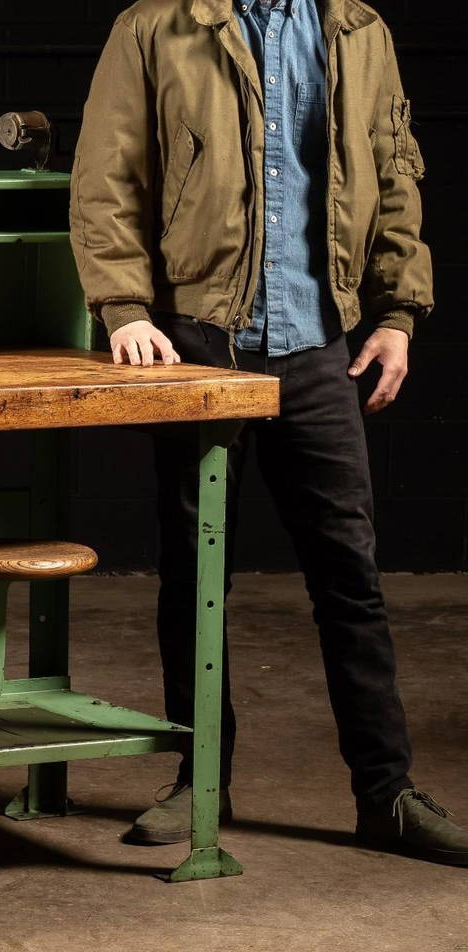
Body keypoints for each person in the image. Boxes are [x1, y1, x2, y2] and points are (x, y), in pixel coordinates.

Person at [69, 0, 466, 865]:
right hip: (198, 342)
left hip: (319, 342)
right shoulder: (154, 26)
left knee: (351, 580)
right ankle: (198, 781)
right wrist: (124, 306)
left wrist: (397, 312)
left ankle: (386, 794)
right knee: (195, 572)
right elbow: (108, 172)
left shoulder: (360, 30)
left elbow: (395, 176)